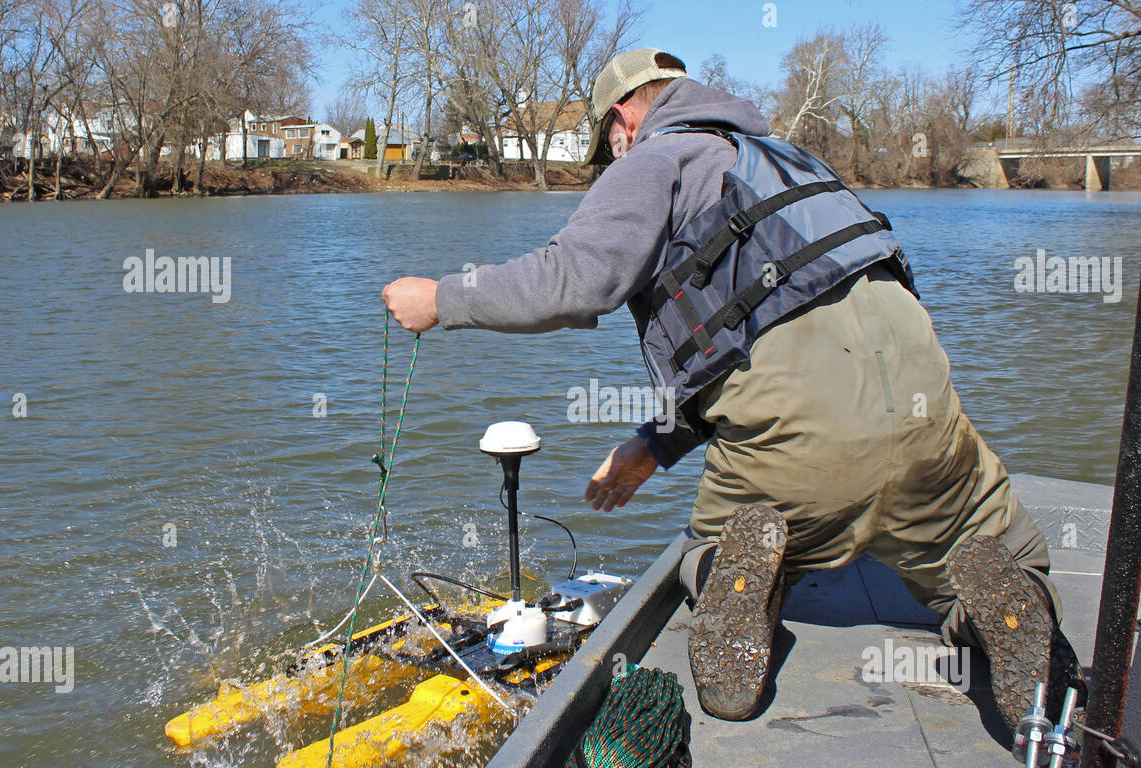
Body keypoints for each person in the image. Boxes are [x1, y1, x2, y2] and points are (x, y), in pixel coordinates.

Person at [382, 48, 1084, 731]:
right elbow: (767, 319)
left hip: (798, 447)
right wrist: (657, 443)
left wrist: (444, 298)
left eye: (608, 147)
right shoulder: (795, 162)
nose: (612, 161)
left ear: (625, 119)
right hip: (934, 425)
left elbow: (573, 281)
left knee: (713, 548)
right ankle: (1005, 600)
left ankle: (736, 575)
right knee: (991, 550)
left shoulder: (657, 157)